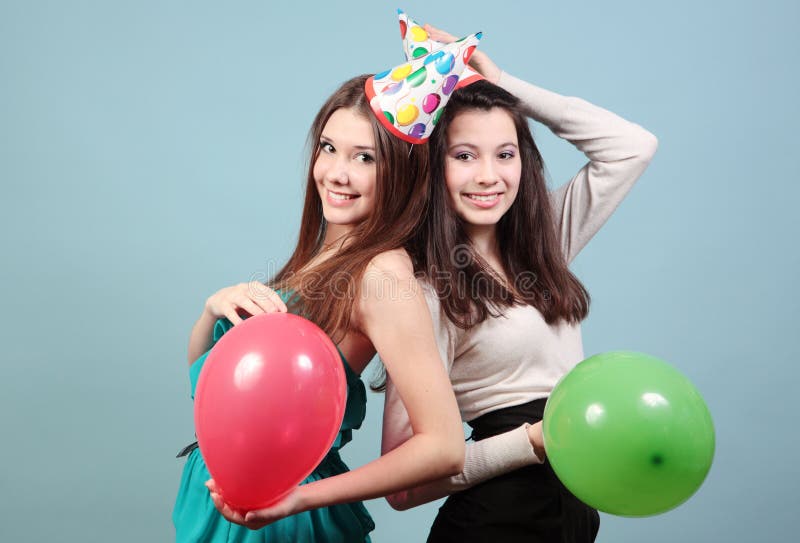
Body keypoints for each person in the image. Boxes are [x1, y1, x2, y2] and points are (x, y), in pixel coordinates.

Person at [381, 24, 658, 542]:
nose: (489, 175)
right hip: (495, 523)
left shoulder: (545, 241)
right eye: (465, 155)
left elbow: (632, 147)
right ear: (433, 167)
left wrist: (504, 85)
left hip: (572, 516)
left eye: (505, 154)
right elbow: (403, 483)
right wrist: (530, 442)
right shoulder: (423, 290)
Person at [173, 73, 467, 542]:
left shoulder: (381, 273)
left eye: (364, 157)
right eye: (329, 148)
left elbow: (445, 447)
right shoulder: (321, 257)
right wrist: (213, 310)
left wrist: (301, 498)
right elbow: (204, 382)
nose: (336, 173)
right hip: (222, 496)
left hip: (281, 517)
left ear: (401, 172)